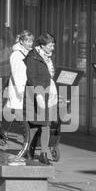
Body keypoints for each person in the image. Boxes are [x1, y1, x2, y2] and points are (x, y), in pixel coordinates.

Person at [23, 33, 58, 165]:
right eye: (50, 45)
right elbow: (31, 77)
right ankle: (29, 151)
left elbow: (49, 76)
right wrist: (38, 94)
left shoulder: (46, 57)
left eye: (53, 45)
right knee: (35, 125)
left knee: (45, 124)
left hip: (47, 94)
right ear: (42, 45)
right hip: (36, 95)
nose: (53, 48)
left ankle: (41, 153)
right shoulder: (33, 57)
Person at [5, 30, 34, 120]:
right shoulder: (17, 55)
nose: (30, 43)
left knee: (27, 116)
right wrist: (20, 90)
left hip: (28, 88)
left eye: (31, 41)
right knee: (23, 118)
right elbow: (16, 74)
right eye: (28, 41)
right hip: (20, 89)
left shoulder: (28, 53)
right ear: (21, 41)